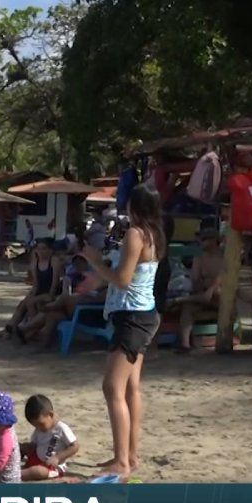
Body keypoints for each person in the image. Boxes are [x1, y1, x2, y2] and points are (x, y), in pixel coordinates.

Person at [80, 182, 165, 478]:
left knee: (112, 387)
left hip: (132, 317)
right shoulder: (154, 234)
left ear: (134, 207)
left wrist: (94, 262)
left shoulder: (135, 234)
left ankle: (123, 461)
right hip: (142, 314)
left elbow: (123, 279)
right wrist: (100, 274)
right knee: (130, 388)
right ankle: (130, 455)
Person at [175, 229, 224, 353]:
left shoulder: (224, 256)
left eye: (205, 239)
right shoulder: (199, 257)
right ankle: (185, 345)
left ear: (214, 241)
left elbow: (223, 276)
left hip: (221, 296)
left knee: (216, 292)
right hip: (203, 294)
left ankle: (180, 300)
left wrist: (211, 288)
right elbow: (195, 278)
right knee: (188, 307)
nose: (202, 242)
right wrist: (201, 287)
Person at [2, 238, 59, 339]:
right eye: (39, 249)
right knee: (24, 303)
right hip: (40, 291)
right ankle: (9, 329)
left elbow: (55, 282)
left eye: (44, 249)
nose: (41, 251)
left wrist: (50, 295)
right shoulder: (35, 263)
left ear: (50, 250)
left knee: (31, 302)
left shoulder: (54, 261)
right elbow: (36, 284)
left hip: (52, 292)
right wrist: (31, 295)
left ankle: (30, 330)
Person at [20, 394, 79, 481]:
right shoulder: (39, 429)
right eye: (35, 426)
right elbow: (35, 444)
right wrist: (27, 447)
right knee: (17, 446)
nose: (38, 428)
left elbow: (75, 446)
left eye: (41, 424)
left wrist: (57, 457)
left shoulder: (61, 428)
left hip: (51, 467)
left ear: (50, 415)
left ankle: (17, 474)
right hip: (36, 459)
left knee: (37, 471)